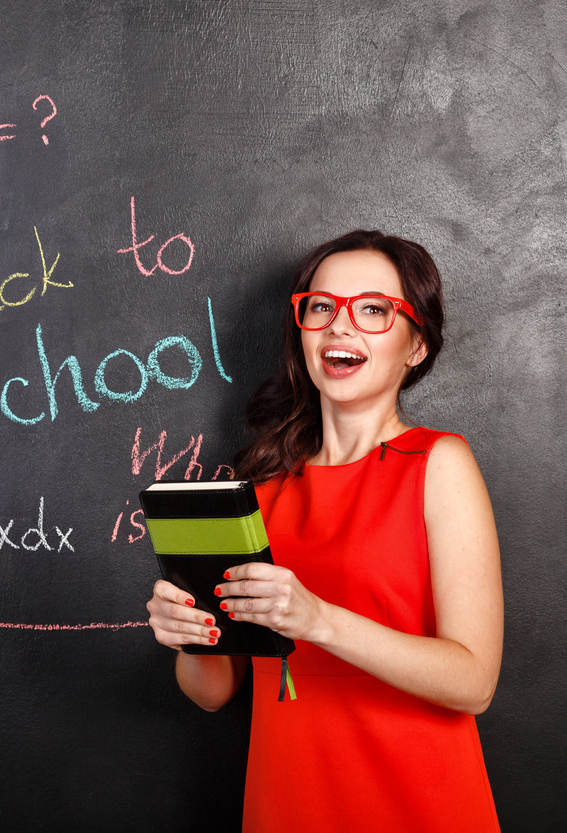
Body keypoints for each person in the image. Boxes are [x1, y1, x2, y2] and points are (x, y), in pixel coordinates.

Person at [146, 230, 503, 832]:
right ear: (303, 330)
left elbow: (474, 683)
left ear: (416, 345)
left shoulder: (439, 463)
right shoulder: (254, 491)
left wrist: (320, 621)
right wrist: (188, 633)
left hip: (419, 801)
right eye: (321, 307)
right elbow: (212, 691)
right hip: (289, 803)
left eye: (373, 309)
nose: (341, 326)